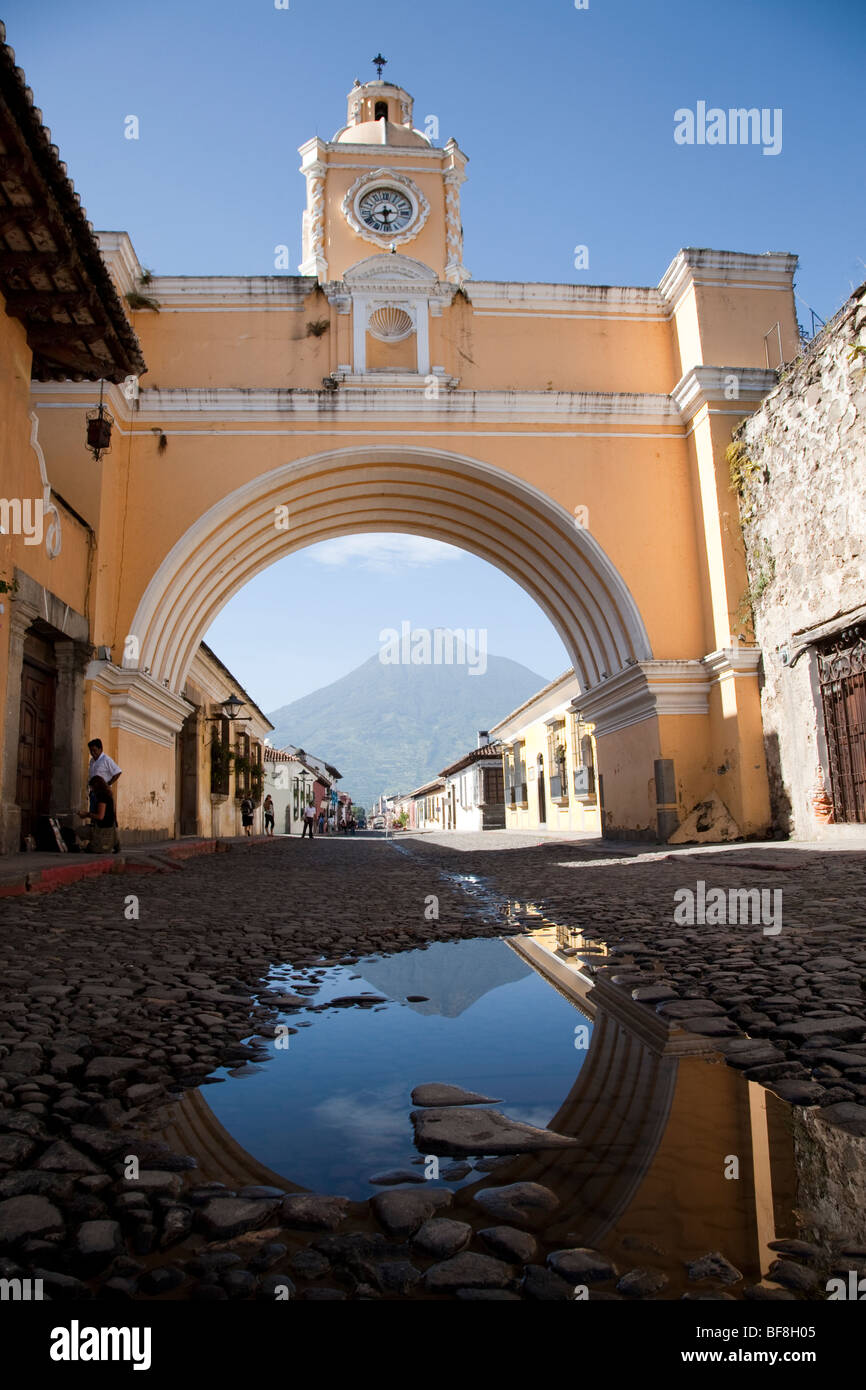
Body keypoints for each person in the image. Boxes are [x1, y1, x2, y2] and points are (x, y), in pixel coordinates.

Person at [86, 738, 121, 851]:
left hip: (104, 793)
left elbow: (117, 772)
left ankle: (115, 842)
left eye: (95, 750)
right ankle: (95, 840)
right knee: (94, 817)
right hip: (94, 792)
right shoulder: (92, 761)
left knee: (107, 818)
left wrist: (108, 783)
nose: (93, 753)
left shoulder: (106, 760)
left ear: (101, 749)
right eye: (91, 751)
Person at [78, 776, 117, 855]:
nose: (91, 790)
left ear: (96, 786)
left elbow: (100, 816)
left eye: (92, 787)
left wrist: (86, 814)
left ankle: (95, 844)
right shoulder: (108, 795)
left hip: (102, 829)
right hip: (109, 829)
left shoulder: (102, 796)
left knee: (79, 830)